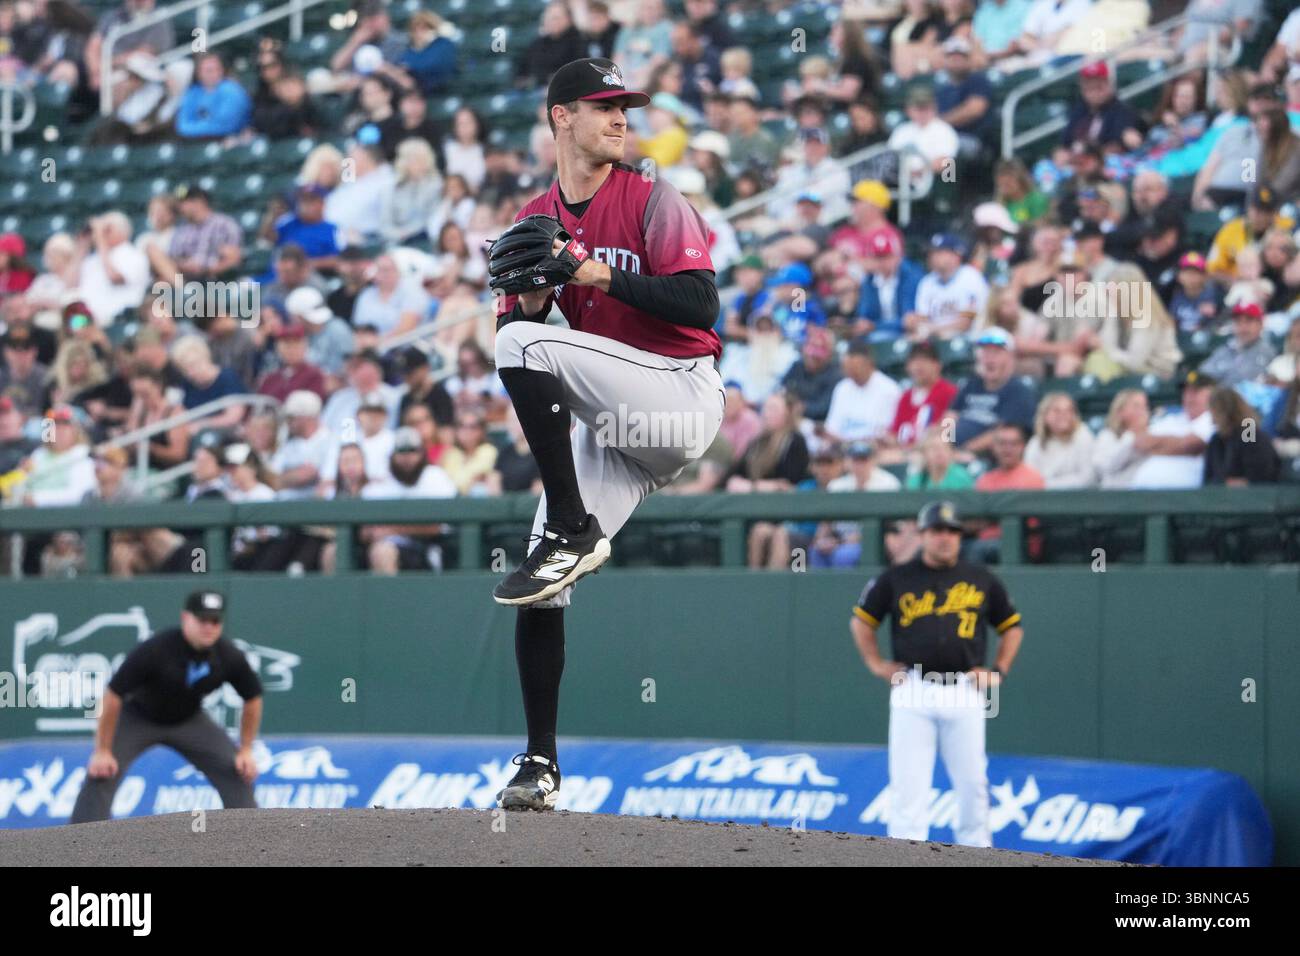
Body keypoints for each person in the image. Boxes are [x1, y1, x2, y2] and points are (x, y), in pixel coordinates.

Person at [486, 57, 725, 809]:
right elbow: (517, 327)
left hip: (679, 396)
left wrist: (594, 278)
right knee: (539, 582)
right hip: (613, 418)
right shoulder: (536, 216)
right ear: (561, 117)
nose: (622, 119)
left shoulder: (654, 197)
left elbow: (702, 302)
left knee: (523, 352)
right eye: (604, 106)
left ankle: (572, 524)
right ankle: (540, 765)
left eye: (625, 107)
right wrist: (530, 296)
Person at [851, 499, 1025, 847]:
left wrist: (999, 671)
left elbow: (1012, 627)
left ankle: (976, 853)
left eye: (951, 531)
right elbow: (861, 621)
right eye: (937, 530)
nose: (945, 537)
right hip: (914, 687)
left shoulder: (981, 579)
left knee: (973, 784)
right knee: (908, 786)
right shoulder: (896, 578)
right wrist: (876, 663)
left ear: (960, 537)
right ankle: (906, 856)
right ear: (923, 534)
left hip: (965, 688)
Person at [68, 590, 260, 823]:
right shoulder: (157, 649)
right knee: (102, 770)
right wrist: (102, 750)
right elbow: (112, 696)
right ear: (185, 618)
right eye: (202, 620)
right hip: (139, 717)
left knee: (237, 768)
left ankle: (251, 833)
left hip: (189, 720)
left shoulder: (228, 655)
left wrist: (246, 749)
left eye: (215, 621)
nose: (209, 627)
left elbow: (253, 697)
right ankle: (80, 842)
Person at [945, 327, 1037, 454]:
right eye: (985, 352)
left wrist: (964, 451)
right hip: (951, 452)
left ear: (1011, 357)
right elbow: (951, 416)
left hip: (983, 456)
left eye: (996, 353)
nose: (989, 359)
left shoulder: (1018, 391)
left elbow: (1002, 432)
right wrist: (945, 444)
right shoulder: (972, 384)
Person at [1129, 370, 1216, 489]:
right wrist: (1178, 444)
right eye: (1186, 391)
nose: (1189, 397)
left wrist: (1156, 446)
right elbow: (1140, 442)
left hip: (1185, 496)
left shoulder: (1213, 420)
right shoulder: (1172, 418)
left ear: (1212, 394)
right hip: (1143, 493)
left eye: (1195, 391)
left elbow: (1194, 444)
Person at [1203, 386, 1280, 485]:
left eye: (1215, 413)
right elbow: (1209, 477)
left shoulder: (1249, 432)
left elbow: (1260, 476)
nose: (1213, 421)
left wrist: (1234, 484)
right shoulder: (1217, 440)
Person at [1025, 391, 1095, 487]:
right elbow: (1031, 480)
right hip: (1044, 499)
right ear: (1044, 415)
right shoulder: (1035, 443)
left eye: (1069, 410)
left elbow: (1088, 478)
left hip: (1079, 498)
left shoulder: (1083, 435)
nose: (1064, 415)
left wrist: (1046, 484)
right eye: (1056, 411)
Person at [1200, 302, 1278, 386]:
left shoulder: (1267, 352)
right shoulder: (1225, 349)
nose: (1243, 327)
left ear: (1261, 324)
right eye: (1238, 322)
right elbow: (1203, 375)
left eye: (1249, 321)